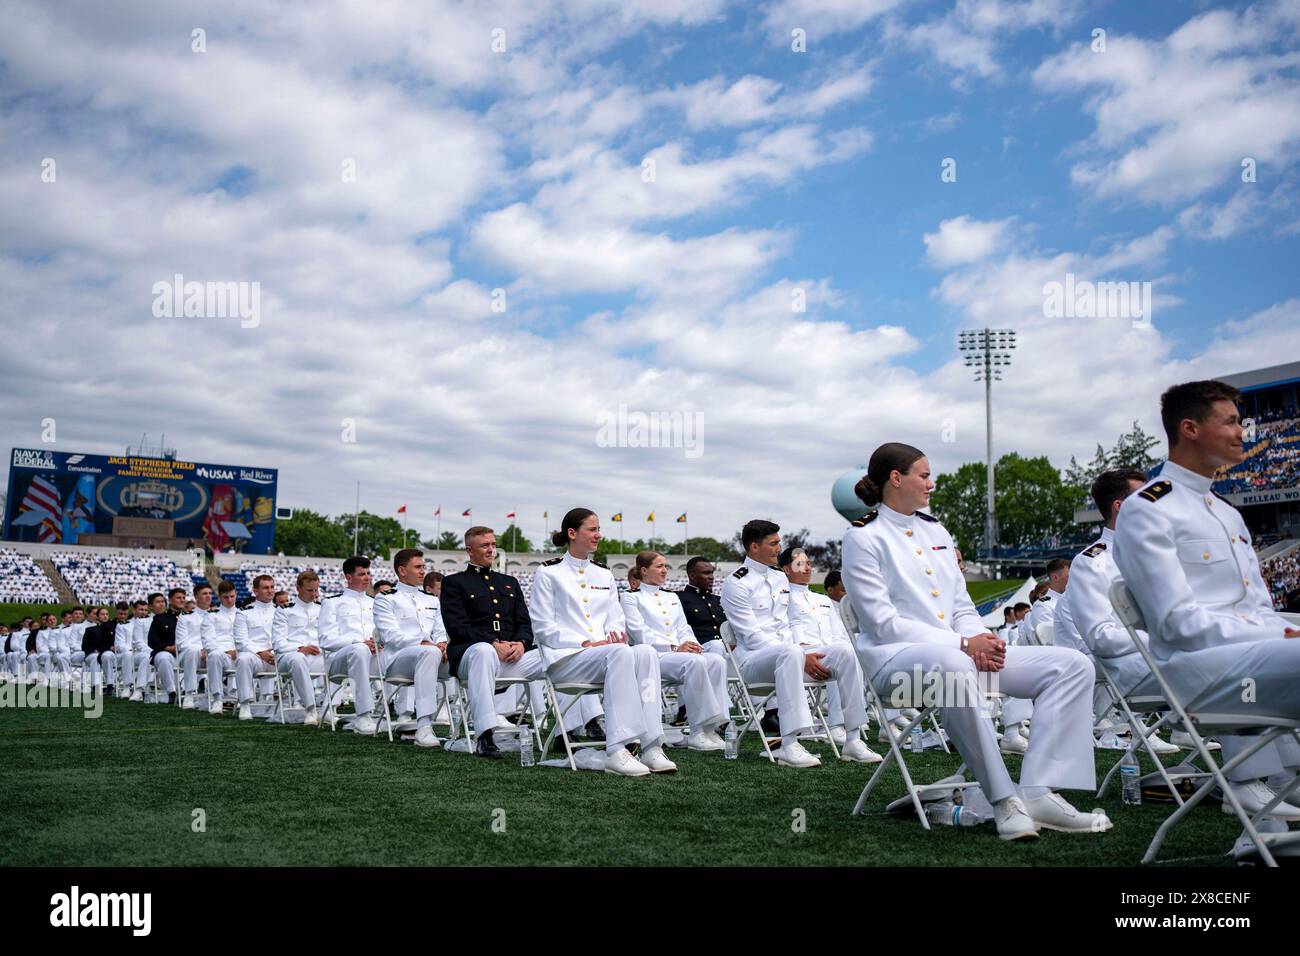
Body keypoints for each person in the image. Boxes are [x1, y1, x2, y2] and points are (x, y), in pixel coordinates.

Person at [842, 442, 1107, 840]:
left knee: (1071, 666)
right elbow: (883, 625)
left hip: (959, 658)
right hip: (896, 667)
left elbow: (962, 605)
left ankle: (1038, 792)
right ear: (896, 479)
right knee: (954, 666)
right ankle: (1003, 799)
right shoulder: (863, 537)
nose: (932, 483)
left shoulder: (937, 530)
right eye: (924, 474)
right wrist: (964, 646)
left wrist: (981, 637)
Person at [1114, 380, 1300, 819]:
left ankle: (1271, 819)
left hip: (1248, 658)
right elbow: (1176, 623)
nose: (1243, 432)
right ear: (1190, 429)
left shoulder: (1227, 512)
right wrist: (1277, 632)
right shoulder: (1149, 508)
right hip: (1192, 669)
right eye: (1232, 422)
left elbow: (1258, 608)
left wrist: (1282, 629)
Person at [530, 508, 675, 776]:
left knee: (645, 652)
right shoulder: (548, 572)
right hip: (567, 659)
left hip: (604, 656)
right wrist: (587, 643)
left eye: (599, 529)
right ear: (572, 534)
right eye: (592, 529)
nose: (599, 534)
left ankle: (652, 746)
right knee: (620, 653)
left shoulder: (603, 574)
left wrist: (614, 635)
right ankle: (617, 749)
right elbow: (542, 627)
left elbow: (615, 619)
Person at [721, 519, 868, 769]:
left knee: (844, 651)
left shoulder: (780, 579)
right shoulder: (736, 584)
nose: (780, 548)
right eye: (774, 543)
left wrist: (804, 653)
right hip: (753, 662)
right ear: (754, 547)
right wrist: (801, 655)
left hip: (790, 656)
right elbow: (752, 637)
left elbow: (790, 625)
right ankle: (789, 744)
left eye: (779, 542)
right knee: (789, 651)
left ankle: (853, 738)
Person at [1053, 469, 1180, 755]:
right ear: (1120, 507)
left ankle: (1278, 776)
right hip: (1123, 663)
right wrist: (1163, 638)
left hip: (1163, 655)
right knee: (1230, 665)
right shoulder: (1092, 562)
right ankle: (1248, 780)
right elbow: (1101, 639)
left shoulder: (1159, 554)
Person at [440, 527, 544, 758]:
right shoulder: (454, 583)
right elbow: (457, 627)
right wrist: (493, 643)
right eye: (485, 545)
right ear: (470, 550)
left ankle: (566, 729)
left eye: (493, 544)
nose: (491, 549)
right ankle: (485, 734)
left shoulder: (509, 582)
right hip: (473, 657)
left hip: (510, 658)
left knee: (552, 654)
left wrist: (521, 644)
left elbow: (524, 623)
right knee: (484, 651)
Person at [780, 548, 881, 763]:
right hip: (796, 659)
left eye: (808, 563)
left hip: (827, 656)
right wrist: (804, 651)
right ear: (786, 570)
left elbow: (838, 636)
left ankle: (853, 738)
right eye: (801, 564)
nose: (808, 567)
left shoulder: (821, 600)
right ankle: (831, 727)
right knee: (842, 654)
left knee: (848, 651)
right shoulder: (780, 598)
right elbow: (781, 634)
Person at [623, 550, 729, 752]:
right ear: (644, 570)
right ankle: (697, 731)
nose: (665, 571)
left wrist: (691, 644)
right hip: (654, 657)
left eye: (666, 566)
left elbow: (683, 628)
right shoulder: (630, 598)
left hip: (678, 655)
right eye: (660, 566)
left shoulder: (671, 597)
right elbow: (639, 633)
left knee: (716, 660)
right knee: (696, 663)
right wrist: (674, 647)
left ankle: (711, 728)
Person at [372, 549, 448, 748]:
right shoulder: (386, 598)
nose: (423, 571)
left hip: (432, 655)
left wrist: (443, 644)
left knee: (469, 656)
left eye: (424, 567)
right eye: (418, 567)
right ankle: (424, 726)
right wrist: (426, 643)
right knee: (429, 652)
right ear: (402, 570)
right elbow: (391, 636)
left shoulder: (431, 600)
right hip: (397, 660)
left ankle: (482, 726)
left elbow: (440, 631)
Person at [317, 556, 381, 735]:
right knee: (359, 649)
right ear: (349, 577)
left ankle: (402, 714)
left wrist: (381, 642)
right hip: (339, 661)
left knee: (405, 650)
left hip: (373, 656)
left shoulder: (376, 603)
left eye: (368, 573)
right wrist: (357, 642)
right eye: (362, 574)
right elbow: (326, 640)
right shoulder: (332, 603)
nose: (367, 577)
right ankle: (363, 715)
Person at [271, 571, 326, 725]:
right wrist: (301, 647)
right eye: (310, 590)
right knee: (298, 658)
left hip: (317, 657)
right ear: (298, 588)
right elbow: (278, 643)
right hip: (288, 658)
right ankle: (310, 709)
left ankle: (329, 707)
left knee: (338, 657)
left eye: (316, 590)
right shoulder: (284, 610)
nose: (314, 594)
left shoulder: (322, 608)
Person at [233, 575, 278, 720]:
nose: (270, 591)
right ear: (255, 591)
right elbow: (241, 641)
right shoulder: (244, 612)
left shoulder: (282, 611)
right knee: (243, 659)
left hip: (277, 658)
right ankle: (245, 704)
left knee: (299, 658)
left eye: (272, 587)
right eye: (265, 587)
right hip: (256, 658)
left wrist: (277, 653)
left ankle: (298, 703)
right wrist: (261, 652)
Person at [202, 581, 240, 714]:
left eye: (232, 596)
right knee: (214, 655)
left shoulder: (243, 614)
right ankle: (218, 698)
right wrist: (228, 651)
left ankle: (242, 698)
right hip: (222, 655)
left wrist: (239, 650)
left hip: (241, 653)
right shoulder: (211, 615)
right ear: (219, 597)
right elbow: (209, 642)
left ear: (236, 595)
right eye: (226, 597)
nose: (229, 600)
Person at [175, 583, 213, 709]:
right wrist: (200, 651)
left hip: (211, 655)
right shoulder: (185, 617)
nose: (208, 596)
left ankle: (230, 695)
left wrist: (208, 651)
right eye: (204, 593)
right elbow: (181, 643)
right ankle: (189, 694)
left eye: (210, 593)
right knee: (192, 651)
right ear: (196, 597)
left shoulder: (216, 615)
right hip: (189, 656)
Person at [677, 557, 727, 652]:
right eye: (706, 573)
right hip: (699, 649)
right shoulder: (679, 598)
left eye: (712, 572)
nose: (711, 577)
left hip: (725, 648)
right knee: (717, 645)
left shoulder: (718, 600)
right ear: (692, 576)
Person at [144, 588, 185, 704]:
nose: (182, 600)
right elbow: (152, 640)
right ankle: (172, 692)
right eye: (178, 598)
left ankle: (189, 691)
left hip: (186, 653)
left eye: (183, 598)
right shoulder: (160, 619)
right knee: (163, 657)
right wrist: (168, 648)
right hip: (168, 652)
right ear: (170, 600)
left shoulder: (190, 617)